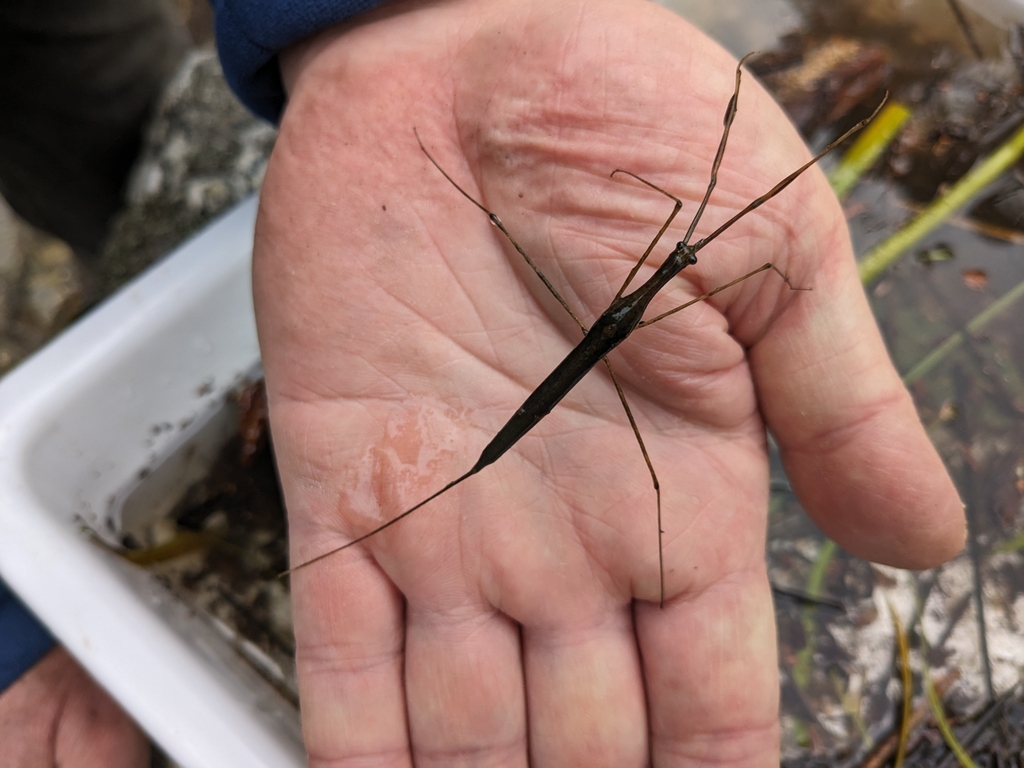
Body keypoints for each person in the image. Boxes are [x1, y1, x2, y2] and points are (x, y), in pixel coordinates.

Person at [1, 0, 966, 765]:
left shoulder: (656, 276)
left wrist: (396, 17)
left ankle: (104, 176)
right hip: (556, 372)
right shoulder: (651, 276)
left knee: (82, 89)